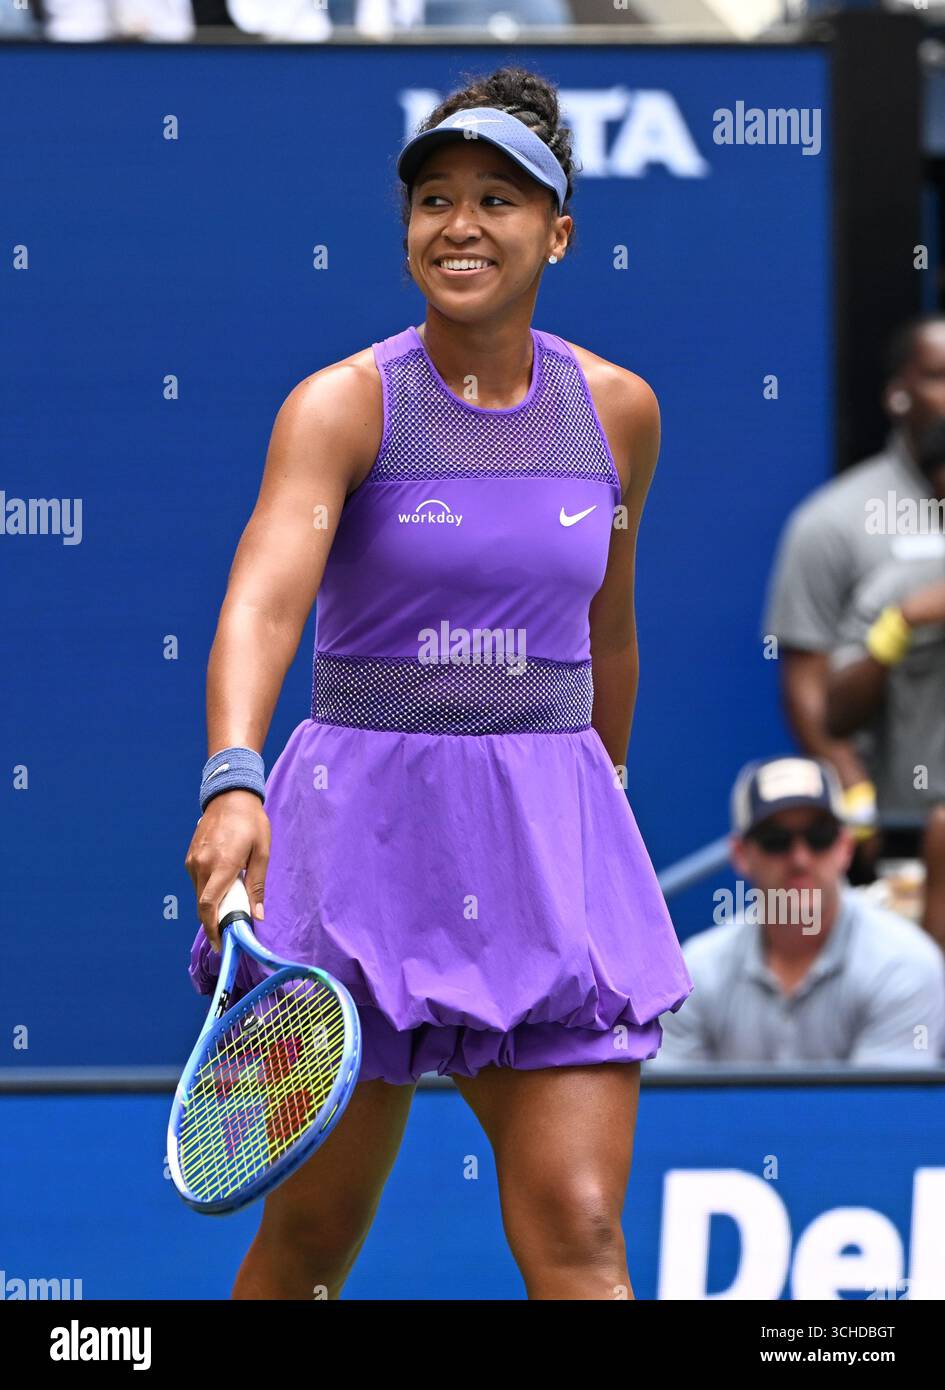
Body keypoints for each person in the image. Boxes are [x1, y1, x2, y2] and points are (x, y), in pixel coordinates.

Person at [183, 65, 693, 1301]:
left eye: (498, 200)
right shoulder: (344, 405)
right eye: (434, 199)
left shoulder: (616, 411)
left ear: (559, 232)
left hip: (547, 855)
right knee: (309, 1243)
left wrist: (599, 808)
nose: (460, 225)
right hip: (361, 851)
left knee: (581, 1231)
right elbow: (263, 596)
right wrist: (234, 778)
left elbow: (606, 629)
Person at [762, 315, 945, 857]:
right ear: (898, 395)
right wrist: (855, 796)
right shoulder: (834, 521)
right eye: (938, 376)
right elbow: (809, 682)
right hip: (898, 826)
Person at [648, 756, 945, 1068]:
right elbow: (679, 1112)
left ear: (845, 847)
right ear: (740, 855)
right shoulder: (695, 972)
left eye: (819, 837)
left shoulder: (904, 963)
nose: (800, 859)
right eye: (775, 841)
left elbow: (882, 1113)